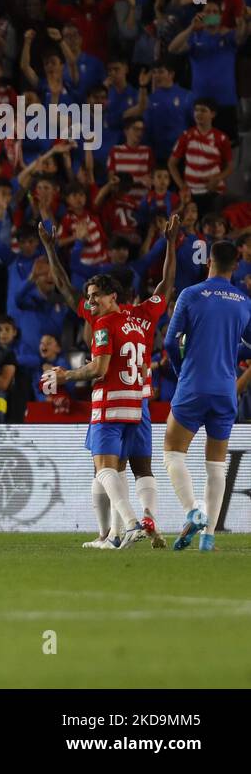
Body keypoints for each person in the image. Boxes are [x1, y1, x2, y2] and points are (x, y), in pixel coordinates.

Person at [38, 220, 176, 549]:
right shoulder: (144, 315)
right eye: (90, 297)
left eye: (97, 296)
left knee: (103, 467)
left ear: (113, 296)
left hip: (111, 401)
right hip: (139, 403)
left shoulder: (101, 324)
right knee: (141, 468)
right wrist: (172, 243)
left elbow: (63, 286)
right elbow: (167, 286)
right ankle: (131, 525)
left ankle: (127, 526)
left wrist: (65, 376)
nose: (90, 301)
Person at [162, 239, 251, 552]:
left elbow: (170, 344)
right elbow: (246, 345)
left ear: (208, 260)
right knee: (216, 466)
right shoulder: (243, 300)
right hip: (226, 390)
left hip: (194, 384)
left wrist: (180, 370)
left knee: (172, 451)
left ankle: (193, 510)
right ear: (236, 266)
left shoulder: (191, 294)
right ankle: (208, 538)